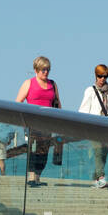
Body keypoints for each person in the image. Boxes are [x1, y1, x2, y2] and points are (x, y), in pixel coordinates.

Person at [15, 56, 62, 186]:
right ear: (36, 70)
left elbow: (57, 104)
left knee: (44, 150)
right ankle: (31, 177)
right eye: (43, 70)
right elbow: (18, 102)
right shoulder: (29, 83)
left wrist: (61, 121)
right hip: (32, 123)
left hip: (48, 124)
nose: (46, 72)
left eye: (48, 70)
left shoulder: (53, 84)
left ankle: (38, 176)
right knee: (32, 149)